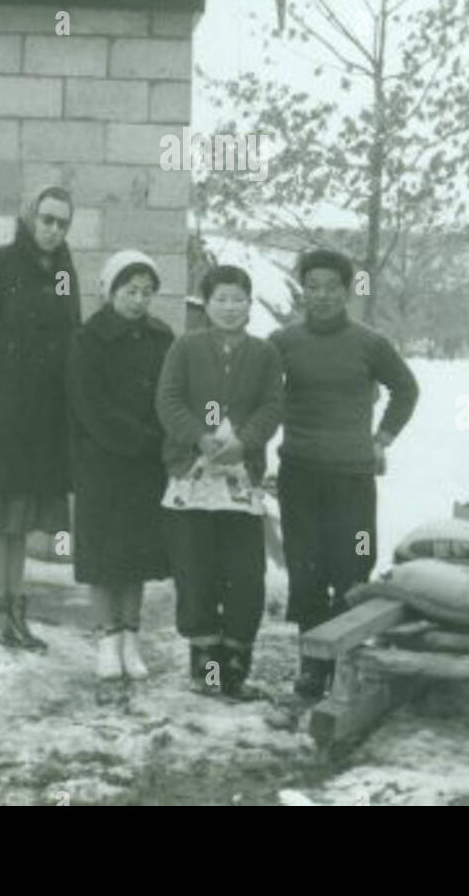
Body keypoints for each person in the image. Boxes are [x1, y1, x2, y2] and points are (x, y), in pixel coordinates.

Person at [270, 248, 419, 700]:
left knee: (352, 565)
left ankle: (347, 658)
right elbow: (255, 393)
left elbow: (406, 389)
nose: (321, 296)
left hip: (352, 477)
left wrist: (381, 440)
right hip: (299, 476)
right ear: (303, 291)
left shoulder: (370, 343)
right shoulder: (282, 343)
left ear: (348, 291)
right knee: (306, 568)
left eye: (331, 288)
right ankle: (313, 665)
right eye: (312, 287)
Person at [0, 185, 81, 651]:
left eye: (62, 222)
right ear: (29, 217)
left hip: (42, 418)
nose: (53, 230)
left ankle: (12, 607)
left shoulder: (64, 273)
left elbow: (72, 336)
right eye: (47, 219)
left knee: (19, 516)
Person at [156, 265, 283, 701]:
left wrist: (245, 443)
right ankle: (206, 671)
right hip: (192, 480)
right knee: (197, 573)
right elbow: (168, 400)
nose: (230, 308)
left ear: (249, 303)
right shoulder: (186, 348)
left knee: (245, 575)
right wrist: (199, 437)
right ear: (205, 304)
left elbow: (271, 406)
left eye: (238, 299)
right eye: (221, 299)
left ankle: (235, 669)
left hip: (240, 483)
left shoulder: (264, 354)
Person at [70, 251, 174, 685]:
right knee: (103, 557)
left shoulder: (161, 337)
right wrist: (136, 438)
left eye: (146, 292)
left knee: (137, 556)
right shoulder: (88, 339)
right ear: (110, 291)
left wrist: (161, 438)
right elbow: (88, 403)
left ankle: (131, 637)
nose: (137, 300)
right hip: (102, 461)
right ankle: (106, 641)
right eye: (129, 291)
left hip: (147, 464)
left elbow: (171, 392)